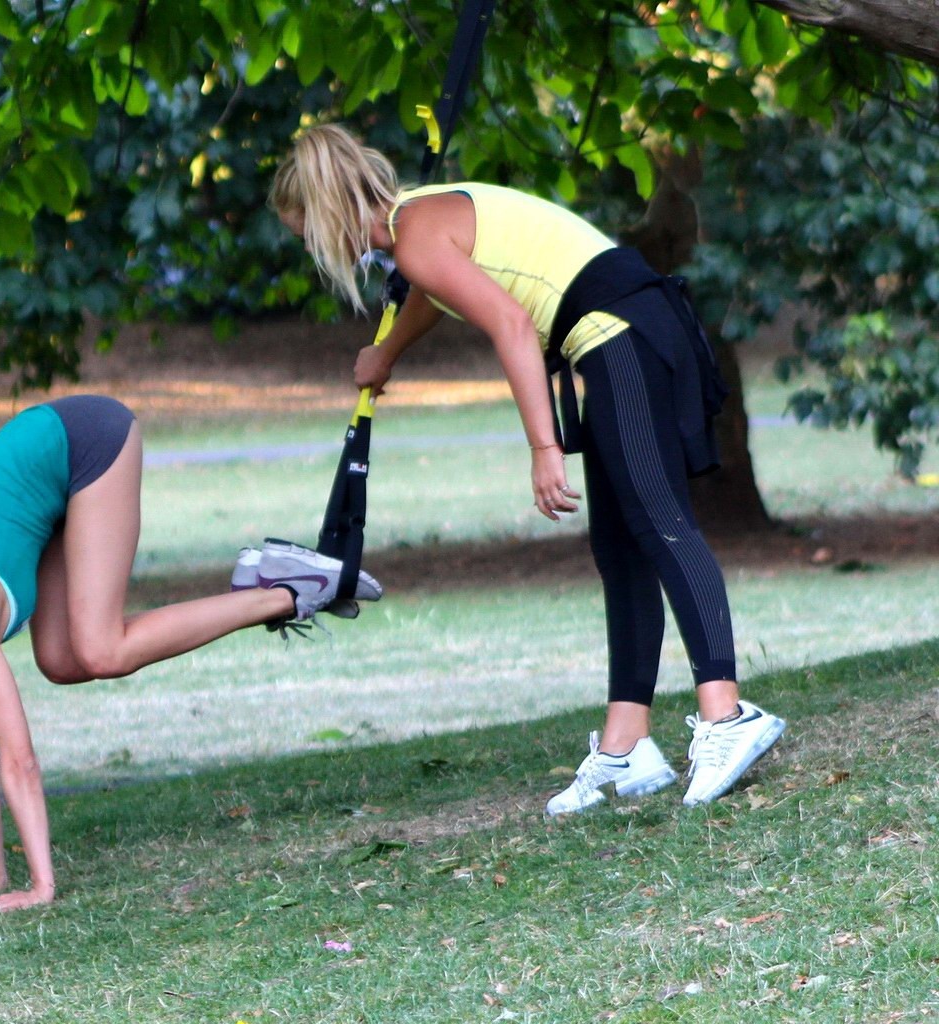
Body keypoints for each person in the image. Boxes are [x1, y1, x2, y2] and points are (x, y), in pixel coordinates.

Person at [269, 124, 785, 815]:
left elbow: (510, 324)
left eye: (306, 232)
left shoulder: (417, 232)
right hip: (612, 333)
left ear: (330, 213)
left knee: (660, 524)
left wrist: (544, 448)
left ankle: (728, 717)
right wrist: (387, 353)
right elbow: (437, 291)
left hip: (620, 329)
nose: (310, 247)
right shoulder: (417, 223)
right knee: (620, 545)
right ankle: (626, 745)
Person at [0, 395, 380, 916]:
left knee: (100, 649)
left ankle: (286, 589)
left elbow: (18, 761)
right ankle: (277, 584)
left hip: (89, 442)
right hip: (46, 491)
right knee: (61, 660)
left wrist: (40, 885)